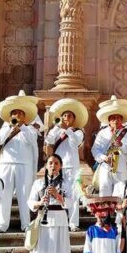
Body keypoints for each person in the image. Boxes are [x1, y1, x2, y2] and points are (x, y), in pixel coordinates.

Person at [23, 154, 75, 253]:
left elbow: (71, 202)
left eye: (56, 163)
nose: (53, 166)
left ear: (61, 166)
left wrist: (58, 196)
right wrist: (40, 202)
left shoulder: (66, 183)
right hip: (42, 220)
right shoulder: (38, 183)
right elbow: (30, 202)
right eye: (50, 163)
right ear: (46, 166)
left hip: (59, 220)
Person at [0, 92, 39, 232]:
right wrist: (9, 127)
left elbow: (31, 140)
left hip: (24, 165)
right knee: (4, 194)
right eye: (14, 113)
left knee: (24, 195)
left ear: (25, 116)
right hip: (6, 164)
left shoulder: (30, 129)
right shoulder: (5, 127)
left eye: (20, 113)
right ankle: (2, 224)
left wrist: (22, 127)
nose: (17, 115)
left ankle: (26, 224)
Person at [45, 98, 87, 231]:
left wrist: (68, 130)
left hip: (72, 165)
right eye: (64, 116)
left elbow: (75, 143)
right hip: (57, 165)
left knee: (73, 193)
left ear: (74, 119)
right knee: (57, 191)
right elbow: (48, 140)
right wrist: (56, 127)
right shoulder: (57, 130)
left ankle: (73, 222)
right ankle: (59, 218)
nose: (66, 118)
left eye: (69, 116)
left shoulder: (78, 131)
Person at [91, 96, 127, 197]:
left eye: (118, 118)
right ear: (109, 120)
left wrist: (121, 145)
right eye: (113, 118)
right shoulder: (102, 133)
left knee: (119, 195)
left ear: (122, 119)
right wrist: (104, 158)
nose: (116, 120)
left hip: (121, 168)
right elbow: (95, 150)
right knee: (104, 194)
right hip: (105, 167)